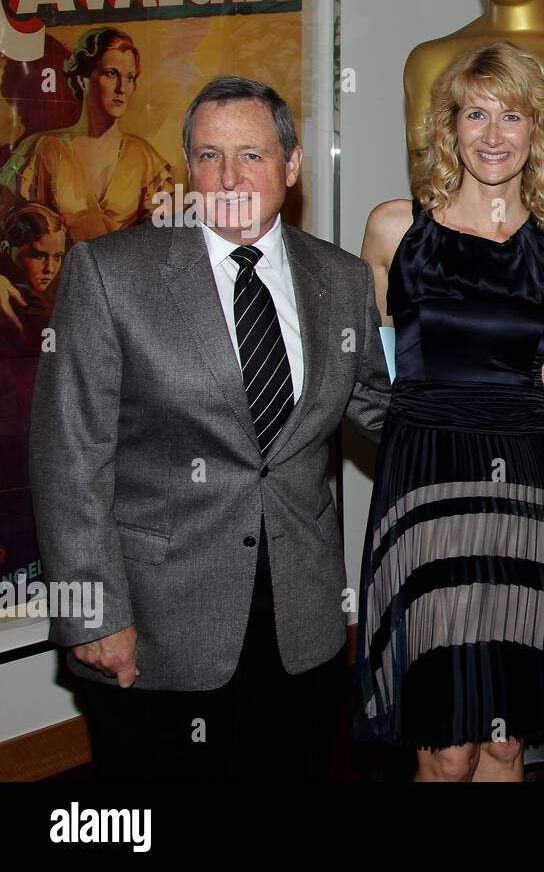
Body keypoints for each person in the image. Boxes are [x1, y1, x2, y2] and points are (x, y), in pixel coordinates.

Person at [29, 75, 391, 781]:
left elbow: (380, 403)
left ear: (290, 166)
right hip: (158, 628)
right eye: (208, 155)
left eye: (251, 155)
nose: (228, 176)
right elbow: (68, 454)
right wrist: (95, 614)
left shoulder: (341, 279)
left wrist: (497, 430)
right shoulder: (110, 274)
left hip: (301, 622)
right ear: (187, 165)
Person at [355, 41, 544, 782]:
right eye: (476, 113)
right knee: (448, 737)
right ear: (450, 126)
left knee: (502, 739)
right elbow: (368, 375)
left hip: (526, 490)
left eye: (513, 115)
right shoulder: (394, 230)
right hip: (426, 481)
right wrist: (414, 430)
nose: (493, 134)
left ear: (539, 131)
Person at [0, 27, 173, 332]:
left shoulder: (147, 159)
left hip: (125, 320)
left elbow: (167, 250)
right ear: (82, 78)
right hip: (52, 320)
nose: (122, 88)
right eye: (110, 74)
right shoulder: (44, 150)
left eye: (129, 77)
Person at [0, 203, 65, 358]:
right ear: (6, 250)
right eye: (38, 255)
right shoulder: (31, 304)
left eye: (58, 257)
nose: (50, 268)